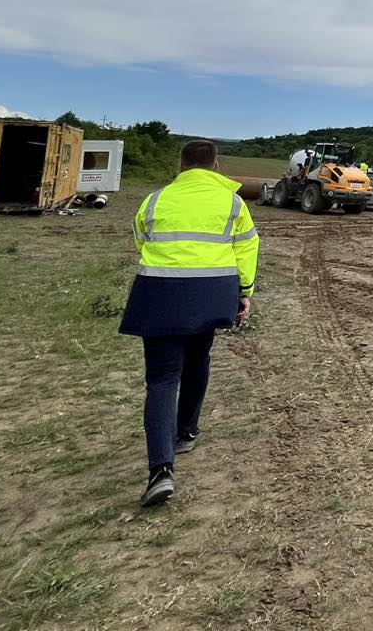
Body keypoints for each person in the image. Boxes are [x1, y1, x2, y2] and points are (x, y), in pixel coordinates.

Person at [119, 139, 259, 507]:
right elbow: (246, 246)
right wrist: (245, 291)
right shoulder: (232, 202)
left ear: (180, 166)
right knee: (199, 358)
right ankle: (187, 431)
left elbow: (141, 240)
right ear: (216, 166)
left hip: (161, 292)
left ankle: (160, 472)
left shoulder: (154, 200)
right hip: (212, 292)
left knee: (162, 380)